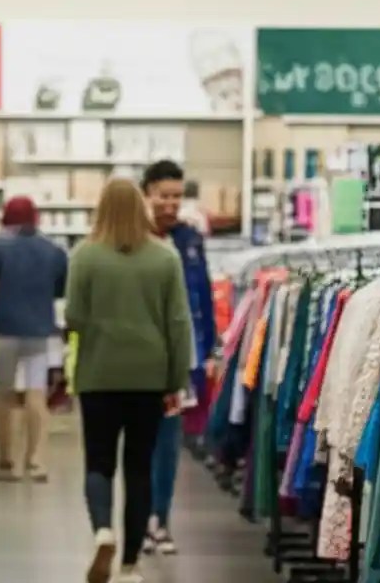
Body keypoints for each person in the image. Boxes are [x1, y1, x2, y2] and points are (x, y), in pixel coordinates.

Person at [66, 178, 193, 583]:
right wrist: (176, 381)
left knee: (98, 463)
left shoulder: (84, 256)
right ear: (143, 207)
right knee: (139, 468)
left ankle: (103, 530)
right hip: (150, 378)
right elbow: (178, 324)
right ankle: (129, 565)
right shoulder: (165, 258)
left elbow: (73, 318)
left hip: (98, 375)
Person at [0, 195, 68, 483]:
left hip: (5, 330)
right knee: (36, 393)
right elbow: (61, 288)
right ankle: (36, 462)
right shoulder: (54, 250)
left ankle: (6, 461)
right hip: (41, 331)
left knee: (4, 394)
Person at [140, 159, 217, 556]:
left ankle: (160, 520)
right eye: (163, 196)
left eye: (176, 196)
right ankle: (139, 518)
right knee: (140, 441)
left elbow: (202, 293)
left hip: (182, 359)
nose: (170, 204)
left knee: (168, 442)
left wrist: (210, 350)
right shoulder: (134, 239)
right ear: (146, 195)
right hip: (139, 357)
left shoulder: (190, 239)